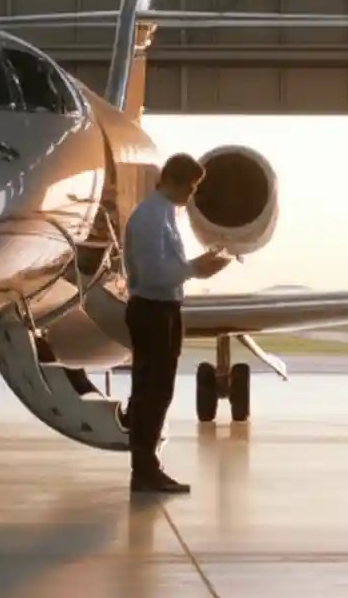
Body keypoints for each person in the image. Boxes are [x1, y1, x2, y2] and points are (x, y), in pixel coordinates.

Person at [122, 153, 232, 494]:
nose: (192, 194)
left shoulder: (165, 215)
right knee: (152, 392)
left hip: (164, 308)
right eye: (191, 186)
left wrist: (194, 267)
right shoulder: (151, 218)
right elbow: (153, 273)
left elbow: (165, 267)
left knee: (157, 390)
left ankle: (147, 466)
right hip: (152, 310)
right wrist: (195, 268)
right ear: (174, 181)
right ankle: (144, 470)